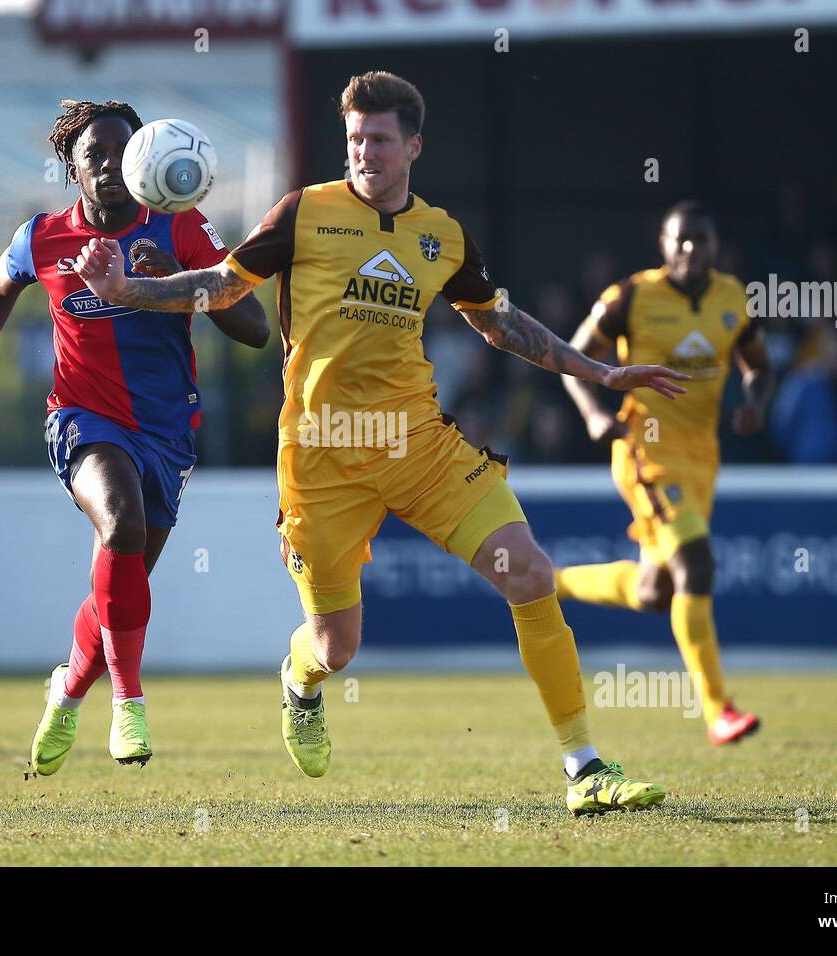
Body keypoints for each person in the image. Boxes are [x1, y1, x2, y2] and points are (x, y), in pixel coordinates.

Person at [70, 73, 688, 815]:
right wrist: (129, 292)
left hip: (417, 444)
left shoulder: (444, 236)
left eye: (380, 139)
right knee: (336, 647)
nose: (364, 151)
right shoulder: (305, 212)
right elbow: (224, 287)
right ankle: (299, 684)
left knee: (529, 574)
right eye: (355, 138)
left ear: (413, 146)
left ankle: (584, 769)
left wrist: (599, 369)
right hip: (321, 456)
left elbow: (503, 325)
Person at [0, 100, 268, 775]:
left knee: (122, 578)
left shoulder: (180, 227)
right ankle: (129, 702)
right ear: (72, 169)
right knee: (120, 520)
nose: (110, 165)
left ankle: (68, 689)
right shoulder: (43, 237)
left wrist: (168, 282)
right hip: (81, 420)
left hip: (167, 433)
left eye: (122, 151)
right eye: (95, 155)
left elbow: (253, 325)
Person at [555, 202, 773, 744]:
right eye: (682, 240)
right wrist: (593, 414)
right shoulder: (632, 297)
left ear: (715, 244)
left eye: (701, 239)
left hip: (702, 457)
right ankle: (719, 708)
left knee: (656, 591)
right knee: (697, 565)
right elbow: (573, 355)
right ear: (664, 244)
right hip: (646, 452)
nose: (691, 250)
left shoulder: (732, 299)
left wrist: (755, 402)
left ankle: (553, 582)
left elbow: (760, 366)